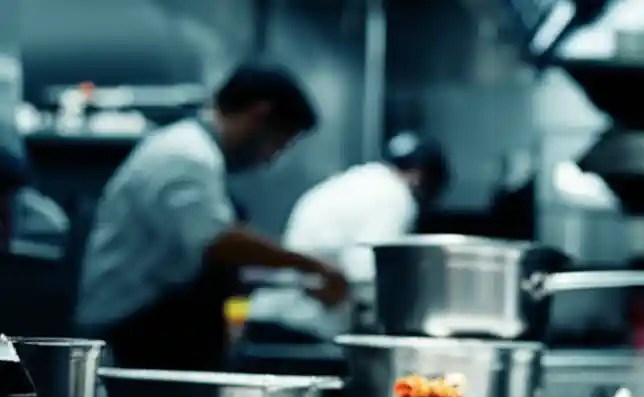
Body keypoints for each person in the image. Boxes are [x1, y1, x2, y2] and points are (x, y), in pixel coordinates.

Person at [75, 64, 349, 371]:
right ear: (259, 115)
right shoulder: (185, 155)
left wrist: (295, 283)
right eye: (279, 142)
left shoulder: (194, 151)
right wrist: (313, 265)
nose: (272, 158)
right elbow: (218, 242)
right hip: (129, 329)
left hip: (147, 326)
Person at [243, 132, 450, 344]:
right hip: (302, 327)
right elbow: (367, 273)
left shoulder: (354, 182)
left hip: (270, 315)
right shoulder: (395, 198)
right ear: (423, 176)